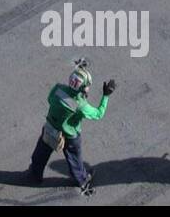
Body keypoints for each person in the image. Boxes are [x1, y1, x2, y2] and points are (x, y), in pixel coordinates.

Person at [27, 64, 114, 195]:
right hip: (70, 136)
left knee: (40, 153)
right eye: (87, 85)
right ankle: (82, 180)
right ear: (82, 87)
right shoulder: (81, 105)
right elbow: (98, 114)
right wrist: (106, 96)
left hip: (50, 128)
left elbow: (50, 100)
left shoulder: (57, 89)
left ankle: (35, 174)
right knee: (75, 161)